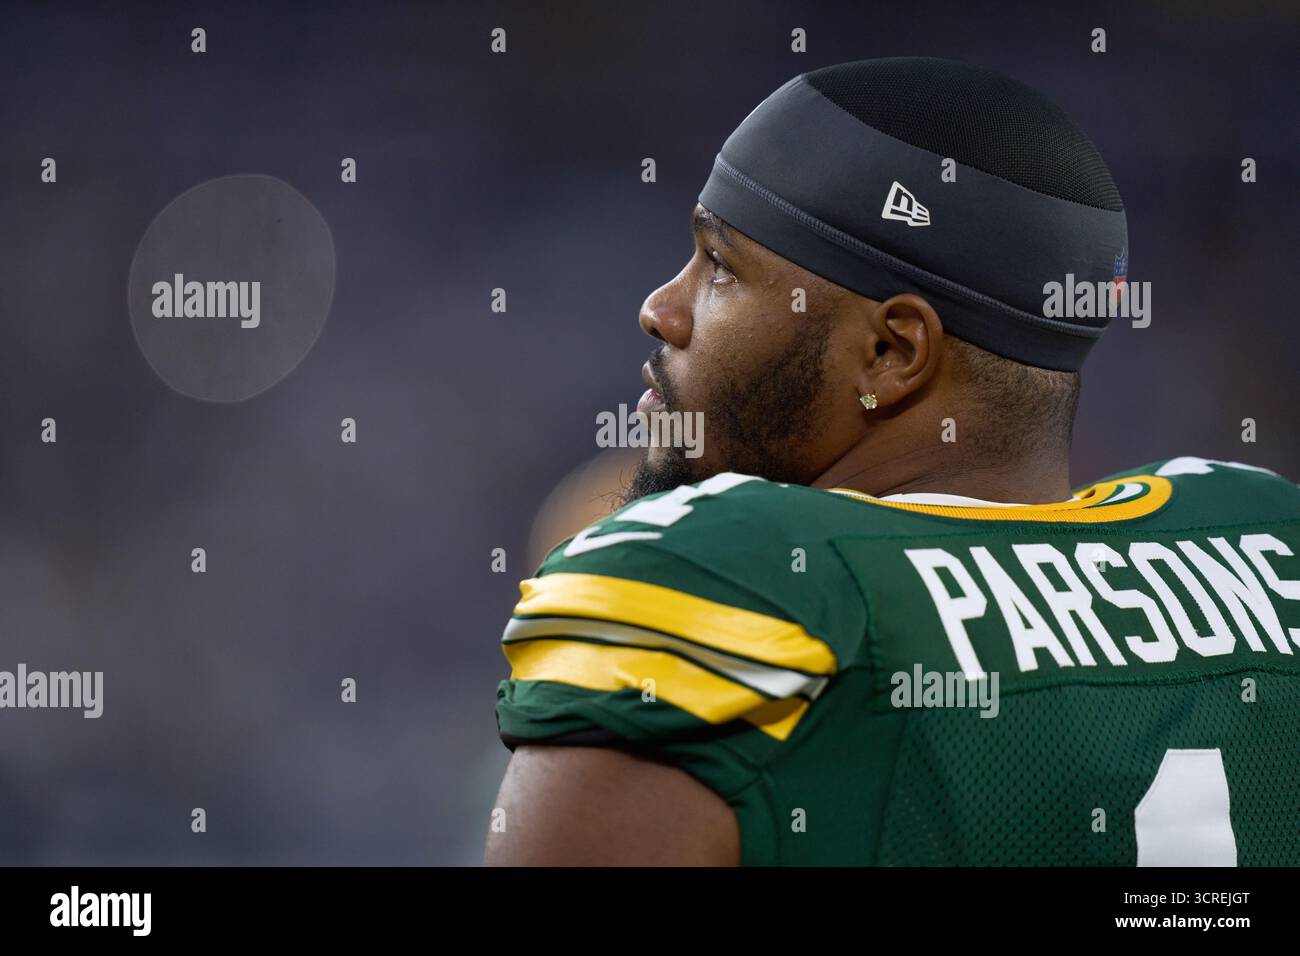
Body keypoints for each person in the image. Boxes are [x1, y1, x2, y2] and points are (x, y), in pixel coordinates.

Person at [486, 57, 1300, 866]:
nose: (661, 309)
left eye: (722, 267)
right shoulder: (1268, 552)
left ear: (889, 351)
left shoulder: (723, 586)